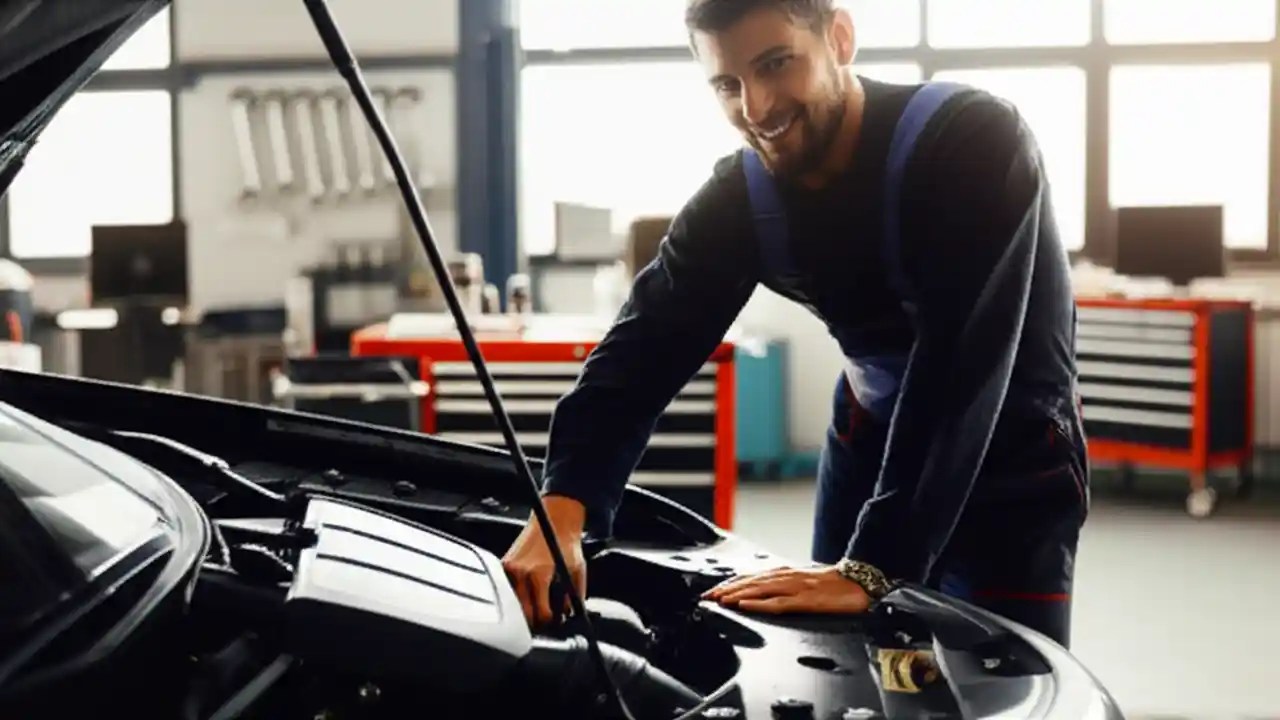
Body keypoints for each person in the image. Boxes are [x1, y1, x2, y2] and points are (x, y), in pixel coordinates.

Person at [502, 0, 1089, 648]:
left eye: (776, 64)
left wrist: (876, 566)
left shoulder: (974, 145)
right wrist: (563, 503)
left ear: (839, 39)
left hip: (1010, 452)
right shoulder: (740, 199)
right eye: (727, 84)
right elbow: (644, 345)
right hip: (870, 441)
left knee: (1008, 681)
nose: (756, 108)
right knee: (842, 665)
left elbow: (961, 364)